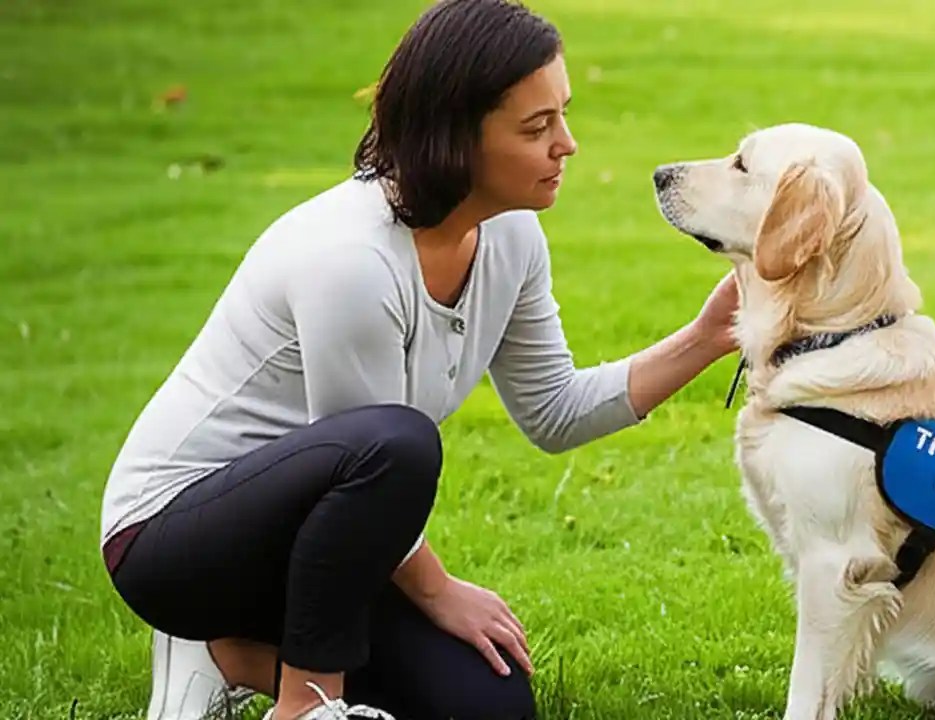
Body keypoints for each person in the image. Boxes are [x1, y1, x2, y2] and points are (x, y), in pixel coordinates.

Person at [98, 1, 739, 719]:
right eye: (537, 127)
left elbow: (554, 410)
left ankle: (226, 653)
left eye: (562, 115)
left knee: (490, 705)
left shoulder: (512, 237)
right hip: (173, 541)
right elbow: (368, 460)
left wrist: (709, 336)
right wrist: (437, 591)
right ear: (455, 138)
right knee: (394, 439)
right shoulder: (352, 261)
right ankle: (309, 706)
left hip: (319, 551)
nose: (568, 144)